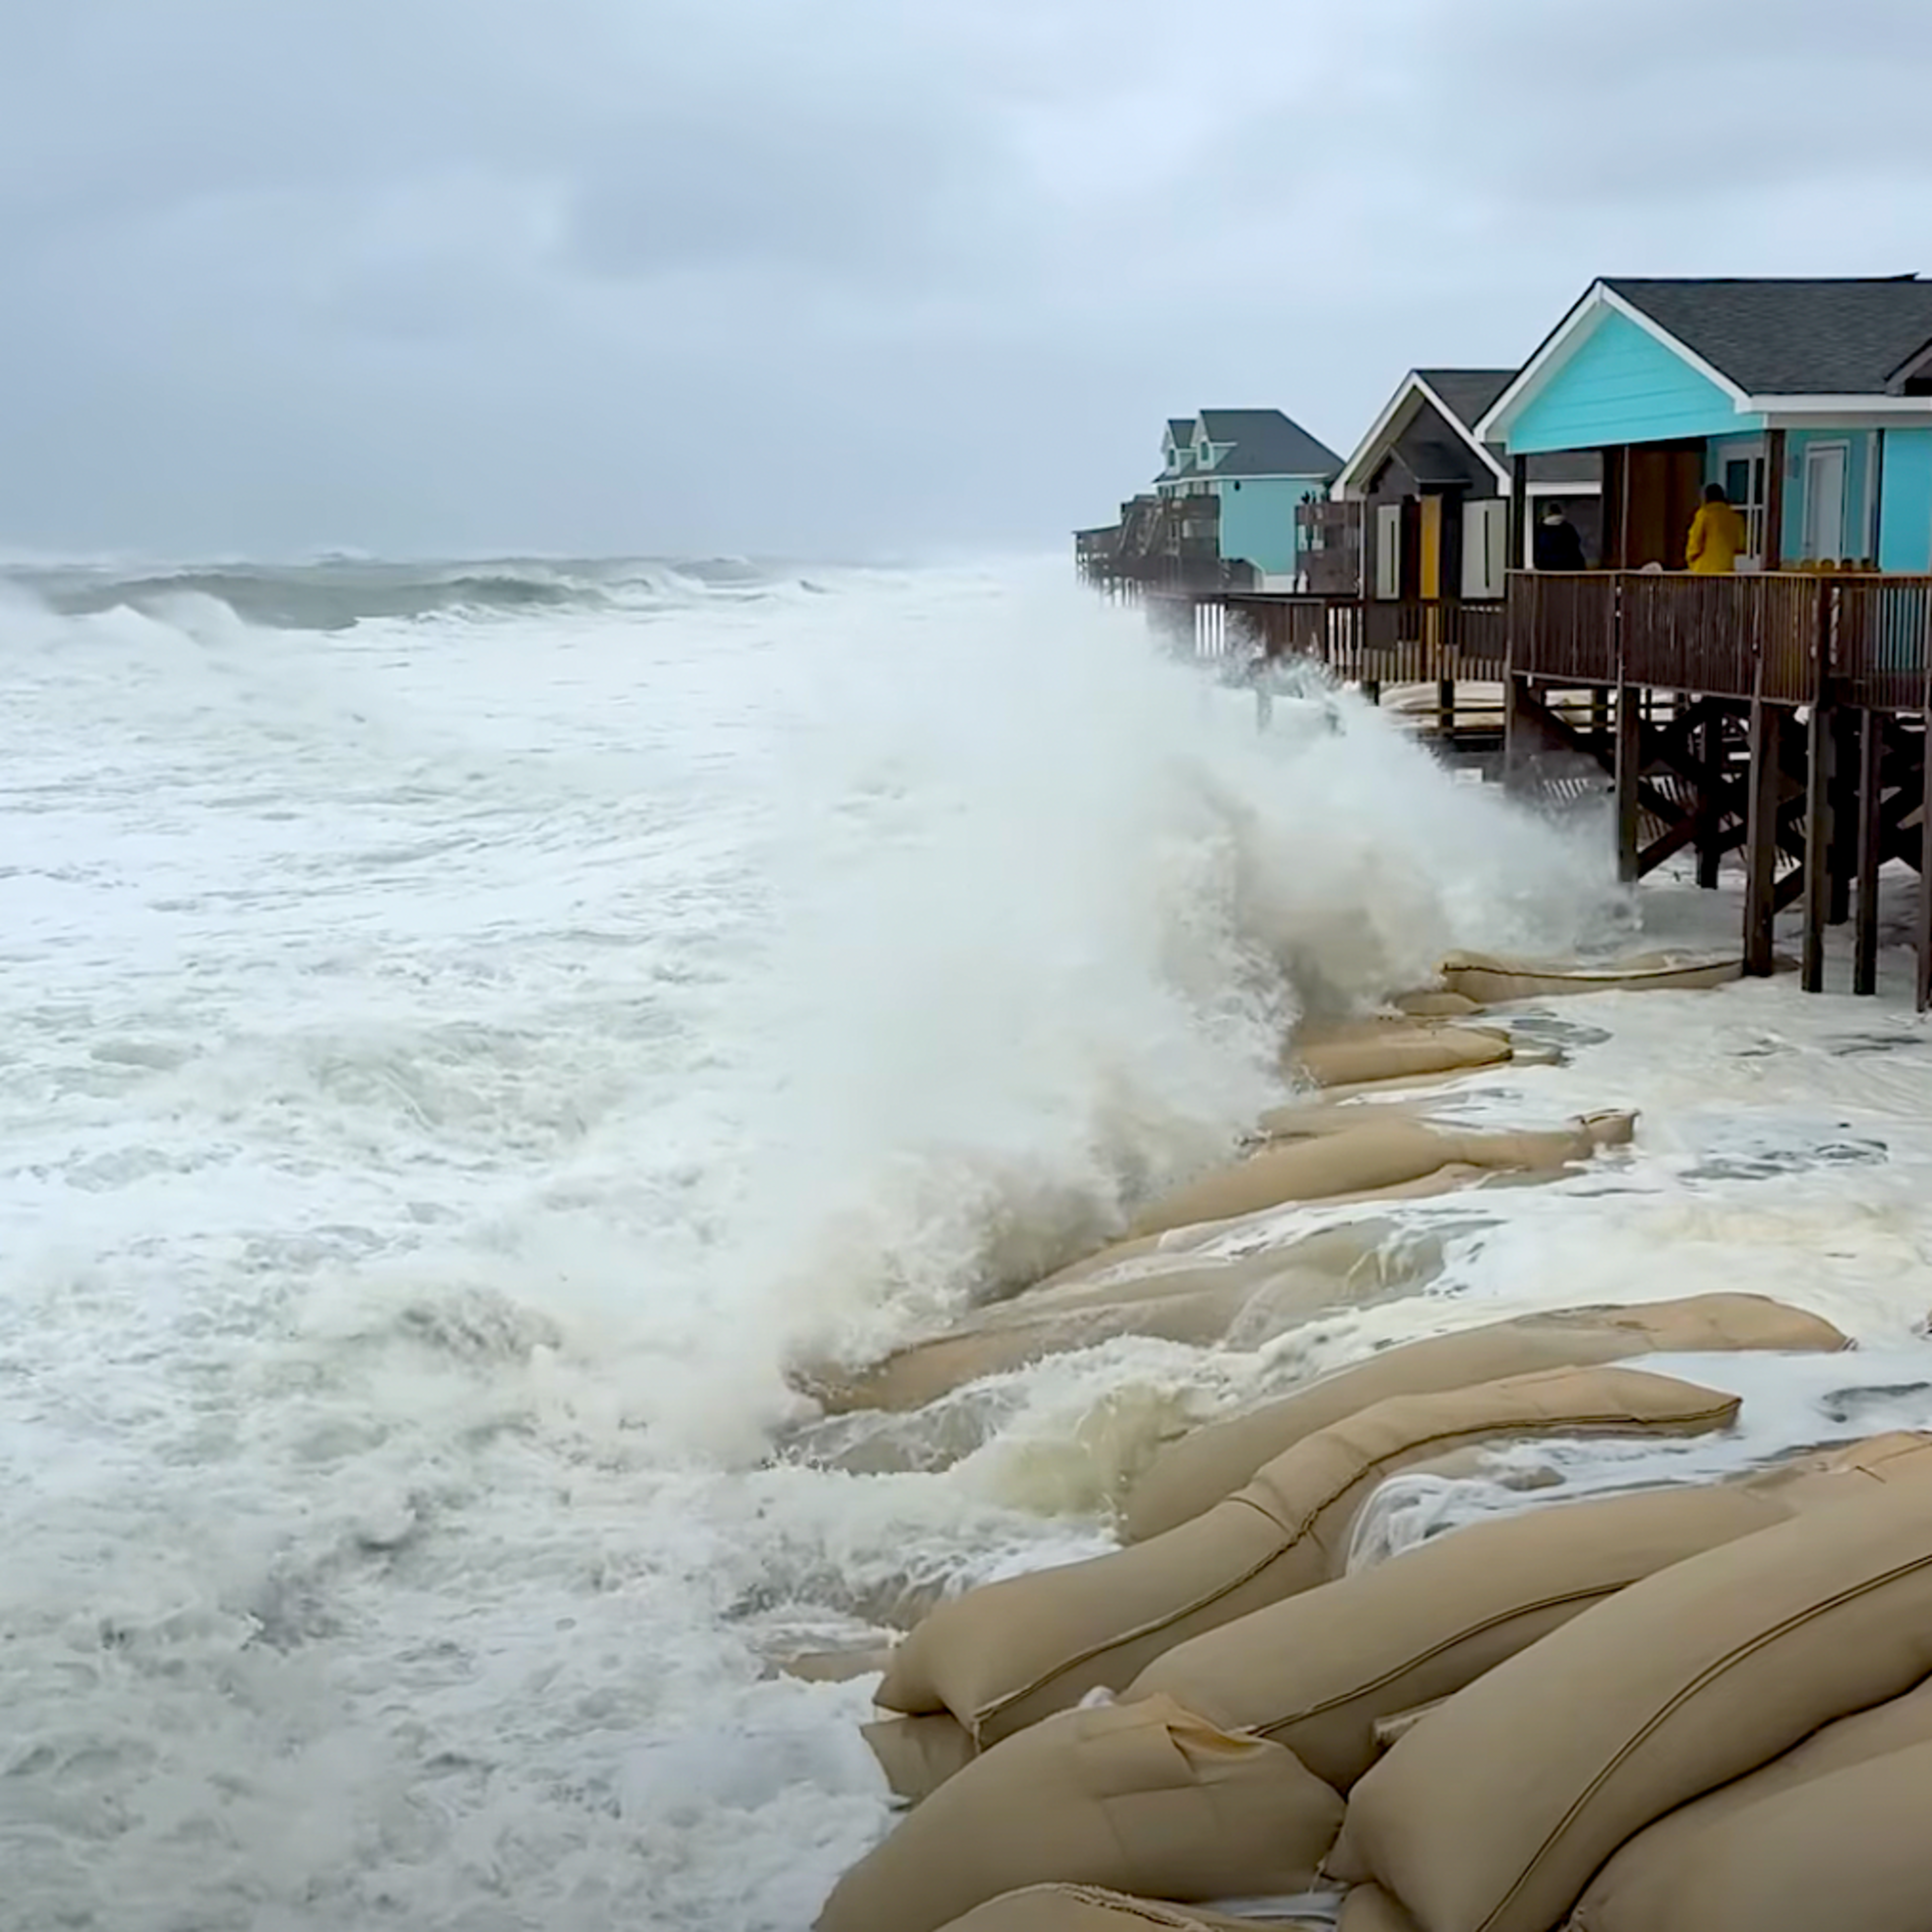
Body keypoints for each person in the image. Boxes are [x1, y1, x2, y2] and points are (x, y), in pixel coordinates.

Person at [1686, 483, 1747, 575]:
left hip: (1704, 570)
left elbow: (1695, 544)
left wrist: (1690, 558)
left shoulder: (1704, 515)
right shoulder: (1736, 518)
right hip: (1727, 569)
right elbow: (1740, 546)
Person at [1532, 500, 1587, 571]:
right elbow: (1576, 545)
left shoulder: (1542, 530)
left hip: (1546, 568)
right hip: (1568, 567)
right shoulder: (1568, 529)